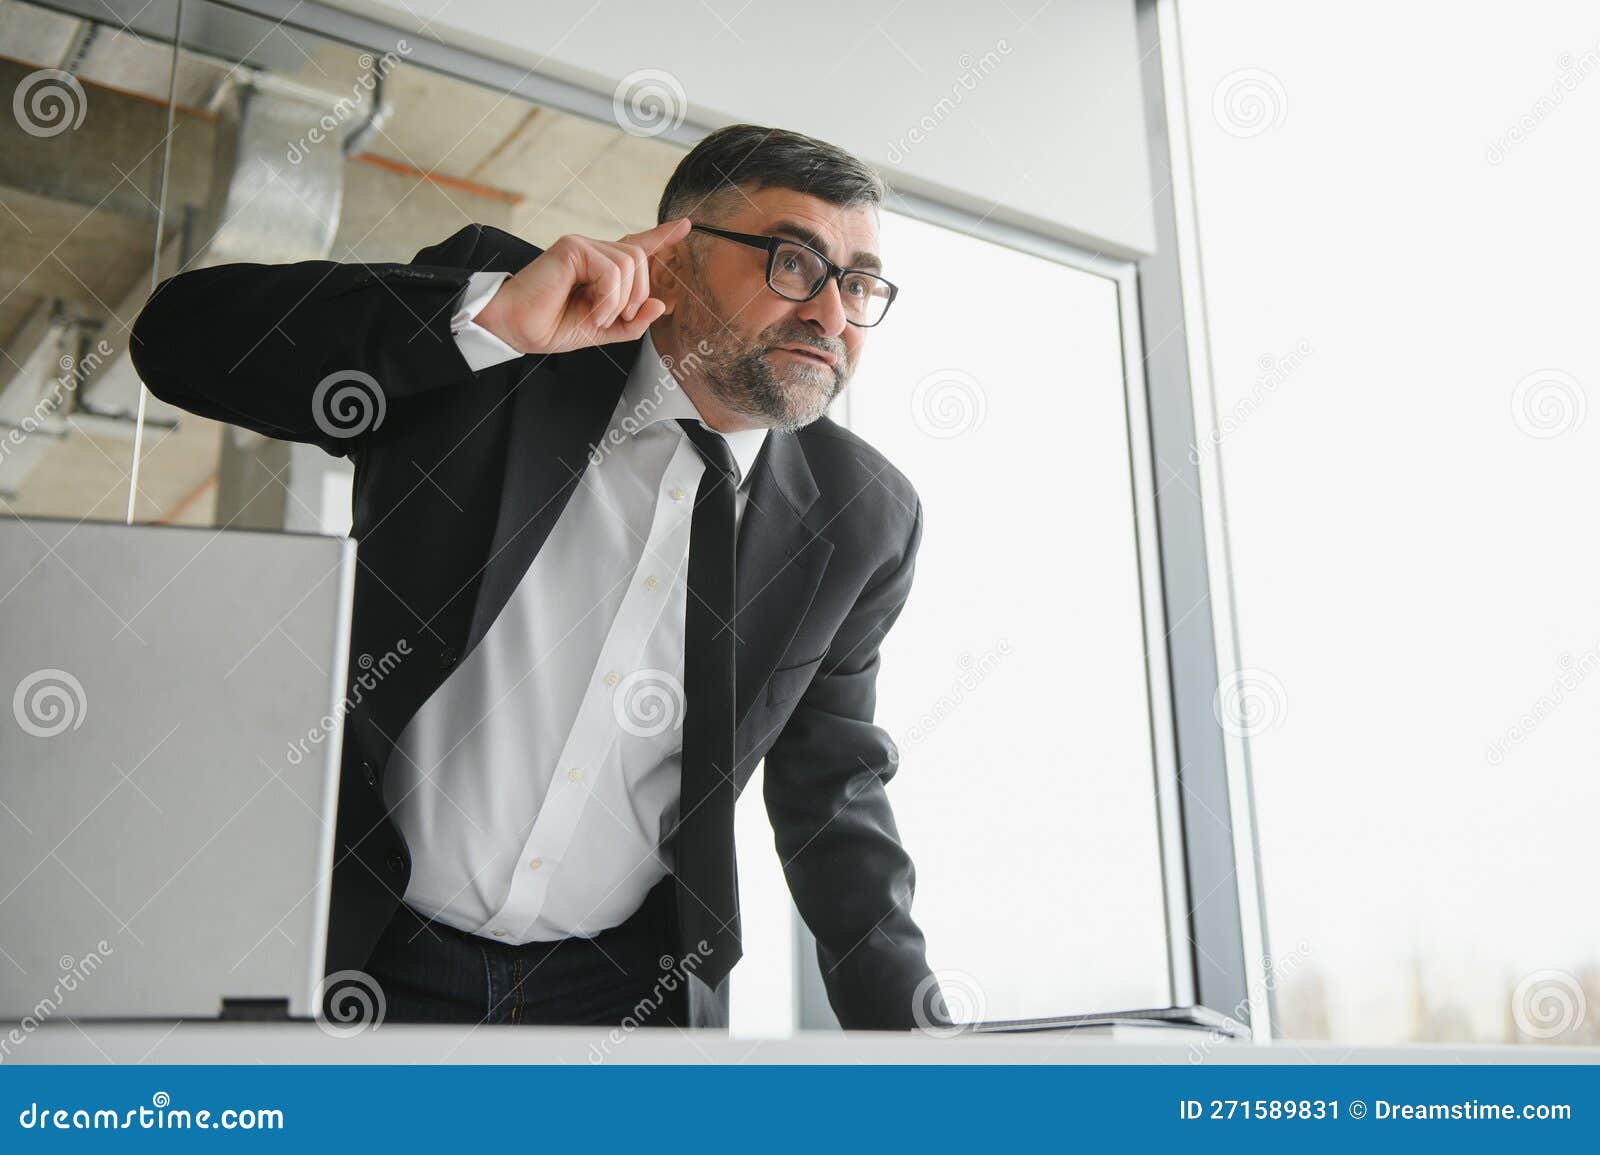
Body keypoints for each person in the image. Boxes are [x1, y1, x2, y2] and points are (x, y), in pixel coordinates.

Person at [130, 123, 947, 1032]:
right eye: (794, 264)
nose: (832, 315)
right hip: (360, 951)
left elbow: (833, 792)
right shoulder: (508, 341)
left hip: (621, 999)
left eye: (859, 283)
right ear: (674, 261)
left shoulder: (865, 518)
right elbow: (177, 341)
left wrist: (926, 1050)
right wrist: (479, 325)